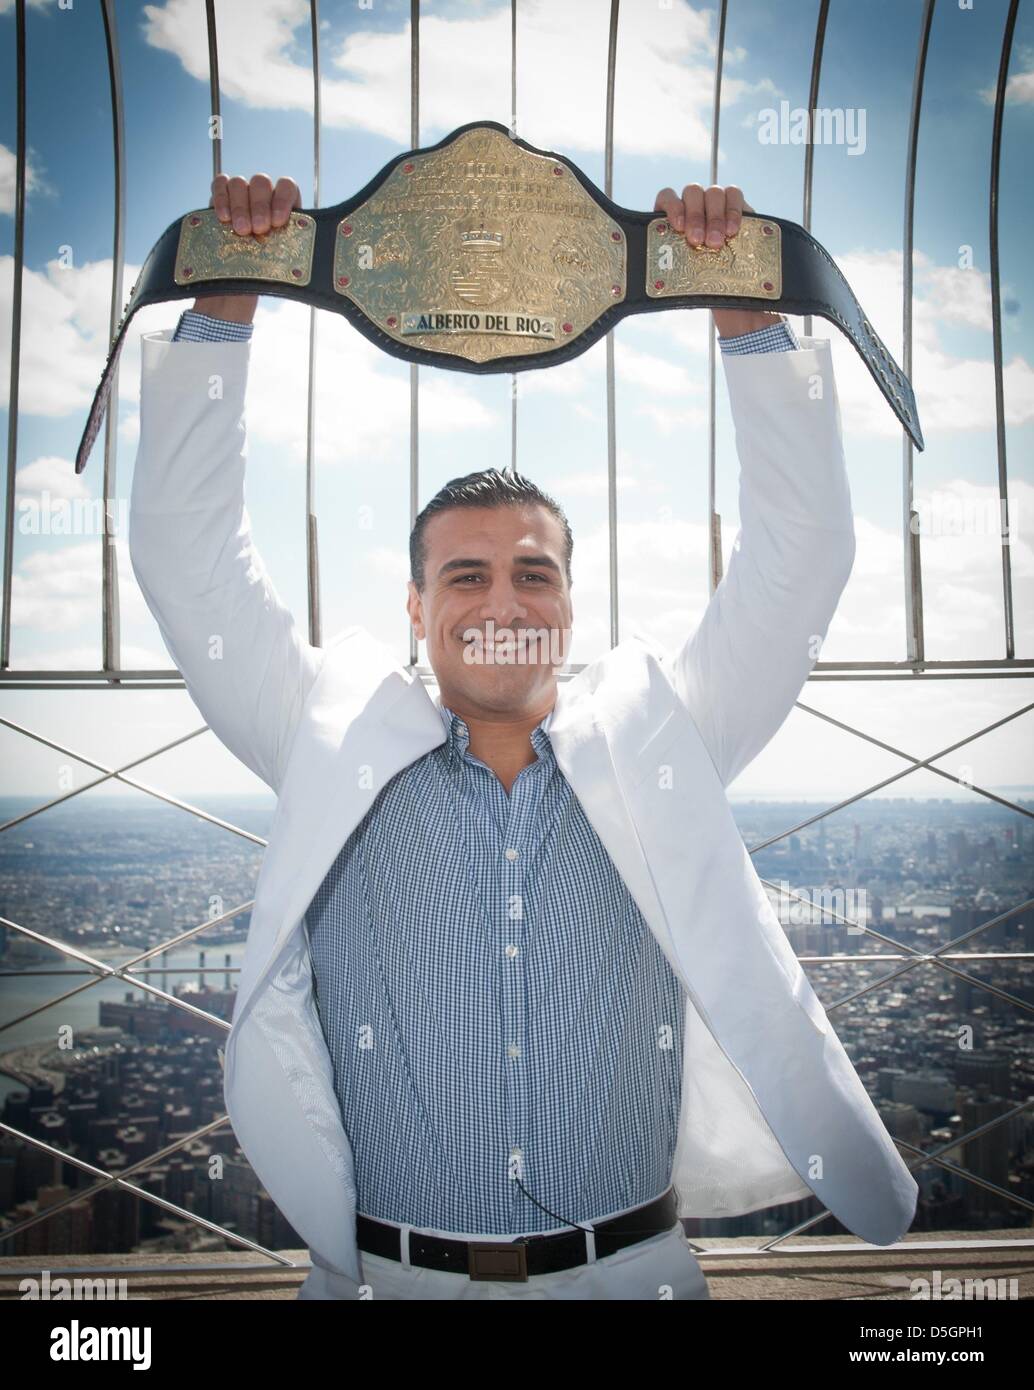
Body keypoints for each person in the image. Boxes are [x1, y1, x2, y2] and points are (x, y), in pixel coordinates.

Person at [128, 172, 917, 1301]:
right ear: (413, 607)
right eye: (464, 574)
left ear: (571, 602)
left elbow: (799, 557)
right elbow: (186, 557)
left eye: (532, 573)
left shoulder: (665, 738)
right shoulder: (324, 739)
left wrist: (740, 304)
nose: (501, 603)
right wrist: (226, 296)